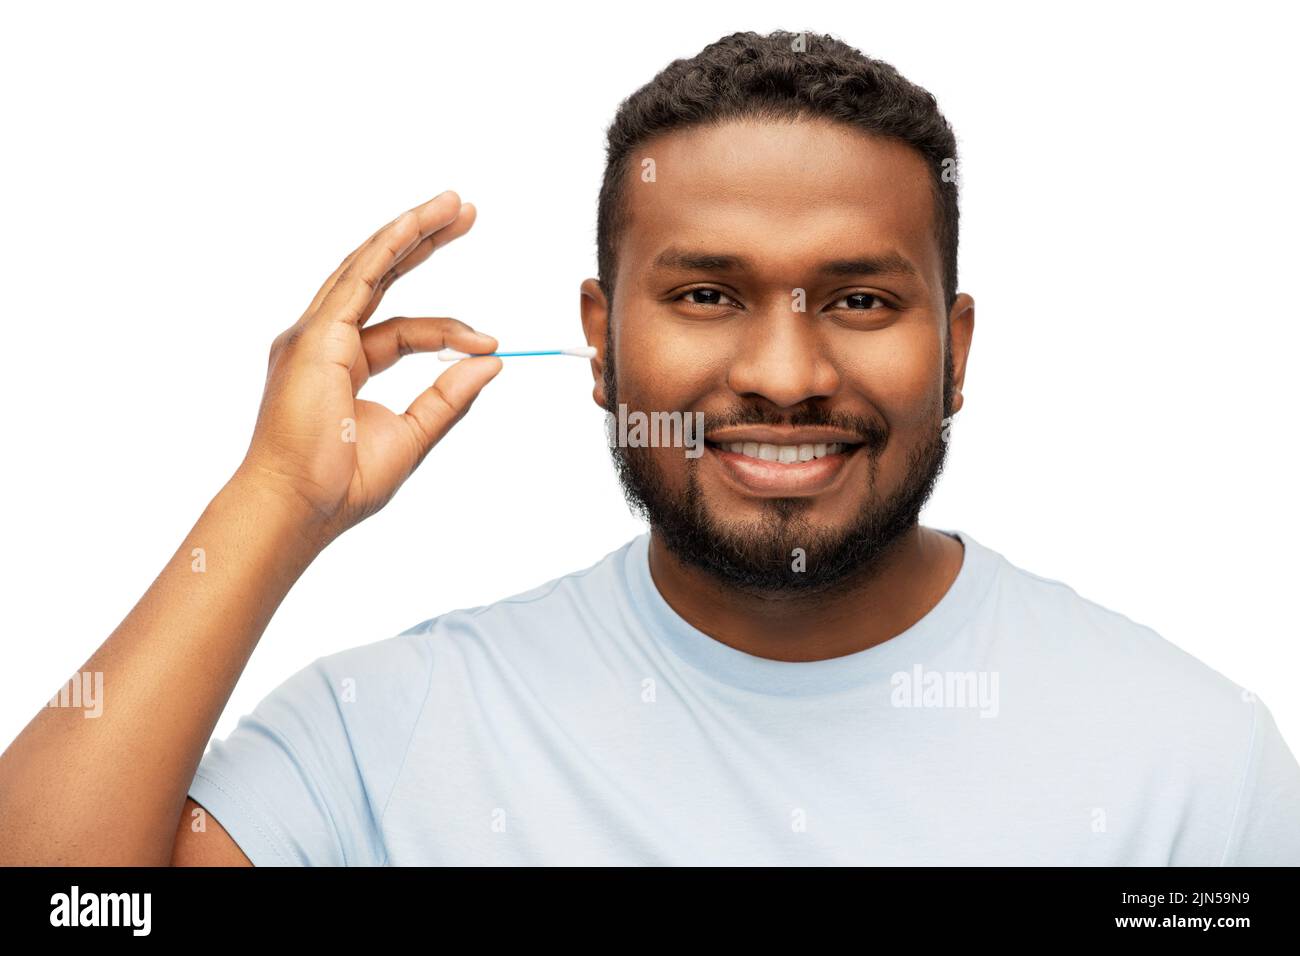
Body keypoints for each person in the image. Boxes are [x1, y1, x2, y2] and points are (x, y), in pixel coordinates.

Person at [2, 30, 1297, 866]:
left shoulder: (1193, 762)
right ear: (600, 341)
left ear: (954, 348)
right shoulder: (391, 733)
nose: (786, 377)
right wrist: (276, 499)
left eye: (859, 300)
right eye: (705, 295)